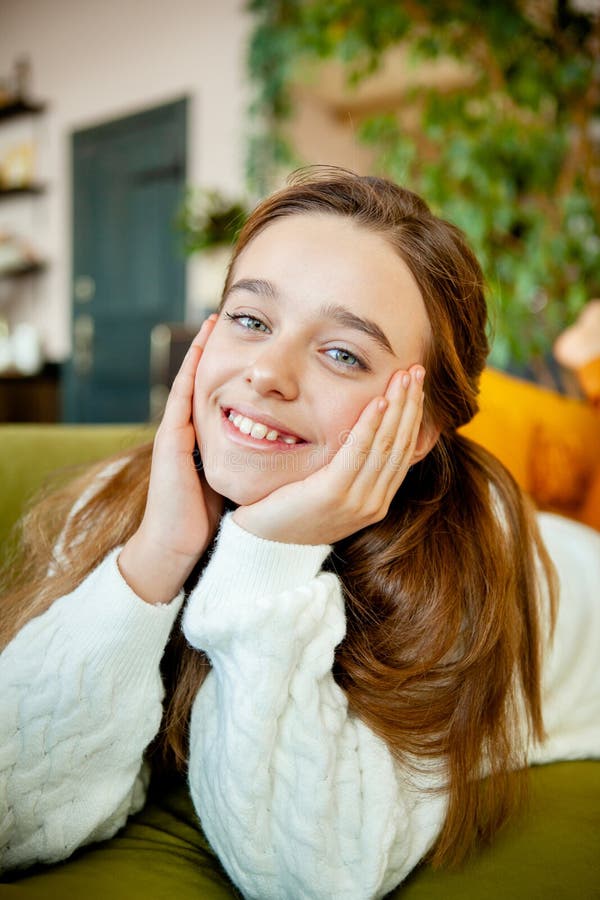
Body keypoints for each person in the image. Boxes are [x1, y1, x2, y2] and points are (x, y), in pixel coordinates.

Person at [1, 168, 598, 899]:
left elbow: (307, 877)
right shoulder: (118, 503)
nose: (266, 374)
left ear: (419, 431)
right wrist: (155, 558)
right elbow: (14, 815)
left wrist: (265, 554)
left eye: (342, 353)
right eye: (251, 320)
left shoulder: (476, 573)